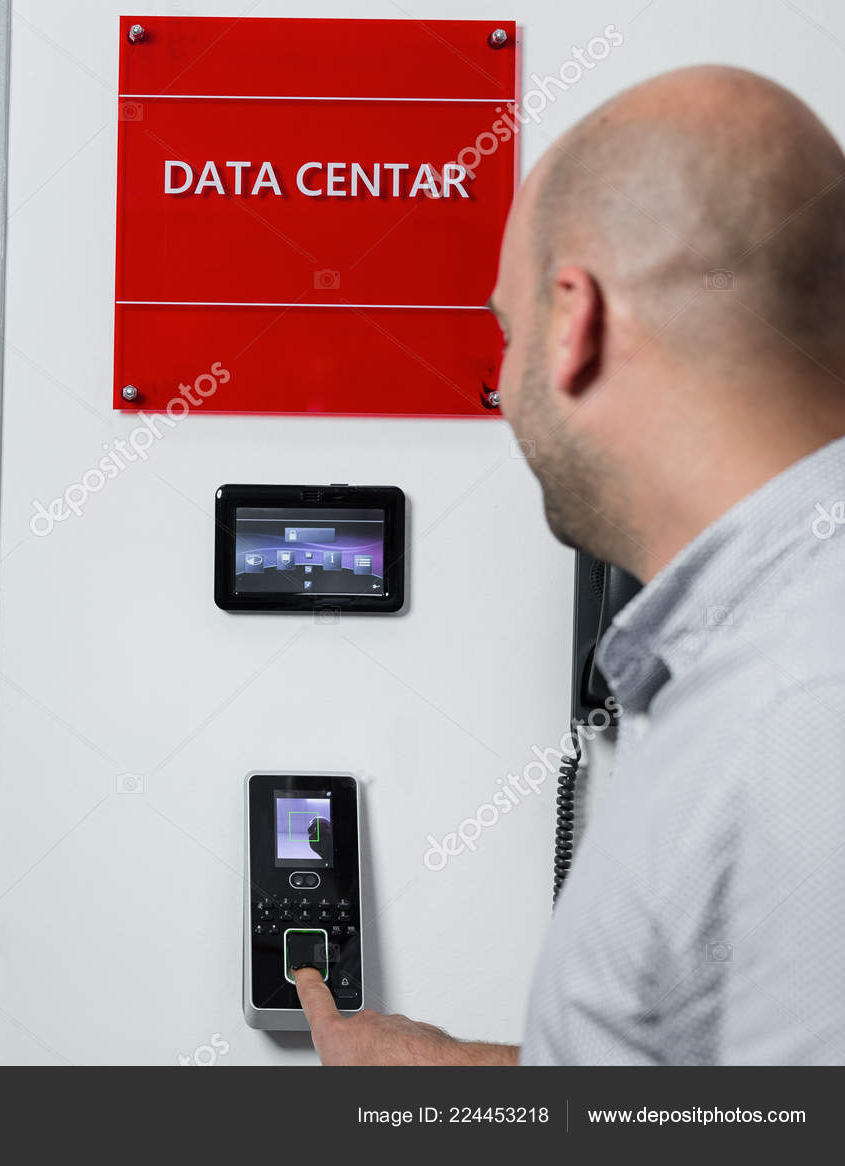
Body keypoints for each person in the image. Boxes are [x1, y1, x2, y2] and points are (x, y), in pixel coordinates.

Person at [296, 65, 845, 1064]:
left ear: (573, 319)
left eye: (504, 336)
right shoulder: (751, 657)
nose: (499, 390)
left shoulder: (799, 712)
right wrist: (445, 1074)